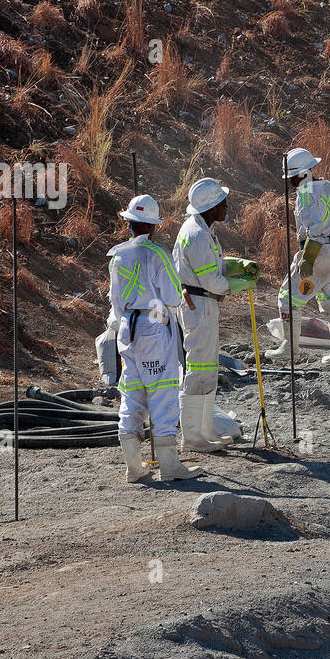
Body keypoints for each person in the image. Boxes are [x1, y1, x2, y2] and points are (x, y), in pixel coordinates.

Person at [106, 195, 201, 482]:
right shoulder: (158, 255)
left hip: (128, 329)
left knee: (132, 393)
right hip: (154, 328)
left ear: (129, 225)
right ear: (154, 226)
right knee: (163, 393)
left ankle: (134, 467)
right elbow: (172, 296)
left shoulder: (117, 256)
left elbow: (115, 301)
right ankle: (170, 465)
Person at [266, 147, 330, 364]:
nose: (291, 182)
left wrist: (309, 257)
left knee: (287, 298)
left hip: (314, 253)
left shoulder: (305, 195)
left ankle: (290, 348)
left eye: (293, 177)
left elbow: (313, 229)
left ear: (304, 173)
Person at [173, 177, 237, 451]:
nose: (226, 205)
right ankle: (193, 436)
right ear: (210, 208)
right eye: (222, 202)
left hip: (203, 304)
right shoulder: (197, 235)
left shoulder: (204, 230)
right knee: (199, 367)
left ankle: (204, 430)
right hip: (198, 305)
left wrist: (230, 269)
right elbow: (210, 279)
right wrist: (234, 283)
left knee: (207, 368)